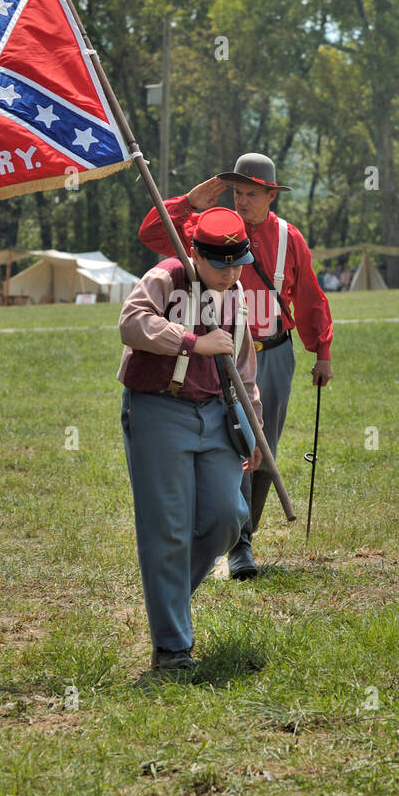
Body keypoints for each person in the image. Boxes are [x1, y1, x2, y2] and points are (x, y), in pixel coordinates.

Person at [138, 152, 334, 579]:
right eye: (237, 193)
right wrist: (189, 202)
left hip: (273, 352)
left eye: (251, 195)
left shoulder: (289, 238)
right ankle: (234, 544)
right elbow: (153, 232)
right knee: (230, 443)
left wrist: (321, 352)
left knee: (262, 447)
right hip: (218, 353)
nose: (242, 202)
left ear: (270, 195)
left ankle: (247, 536)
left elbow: (310, 297)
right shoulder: (208, 228)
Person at [118, 207, 263, 674]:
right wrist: (190, 341)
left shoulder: (237, 293)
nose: (231, 272)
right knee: (169, 529)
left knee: (228, 516)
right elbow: (130, 322)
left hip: (218, 414)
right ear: (197, 253)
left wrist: (253, 428)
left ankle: (170, 597)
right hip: (159, 409)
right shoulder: (166, 276)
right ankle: (172, 646)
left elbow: (245, 373)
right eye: (221, 264)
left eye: (238, 262)